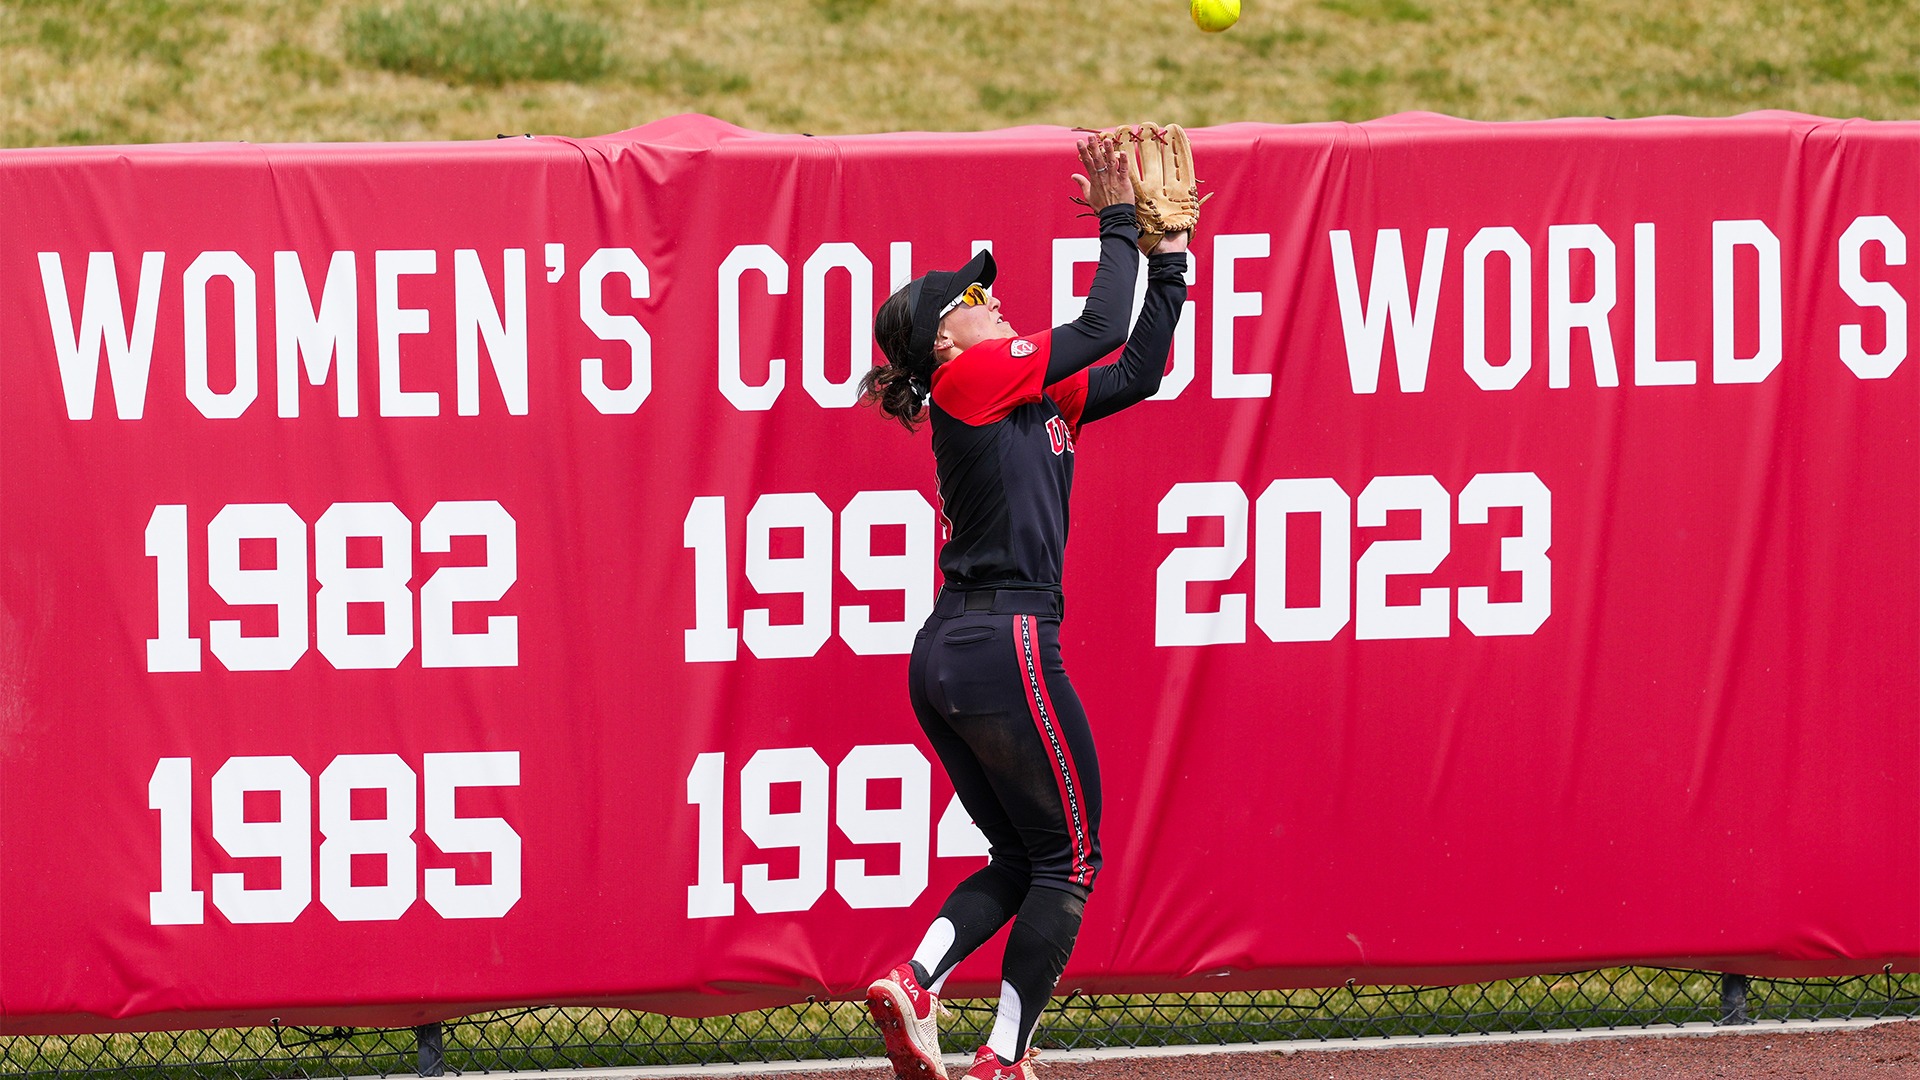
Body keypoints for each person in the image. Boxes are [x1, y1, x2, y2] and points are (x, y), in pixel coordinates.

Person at [859, 131, 1193, 1080]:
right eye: (971, 299)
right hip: (1004, 638)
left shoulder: (1023, 395)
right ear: (943, 342)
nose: (990, 298)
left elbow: (1136, 369)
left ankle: (917, 980)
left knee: (1020, 851)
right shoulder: (970, 379)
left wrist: (1168, 261)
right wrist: (1119, 222)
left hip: (952, 651)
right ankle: (1004, 1057)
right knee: (1071, 860)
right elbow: (1095, 330)